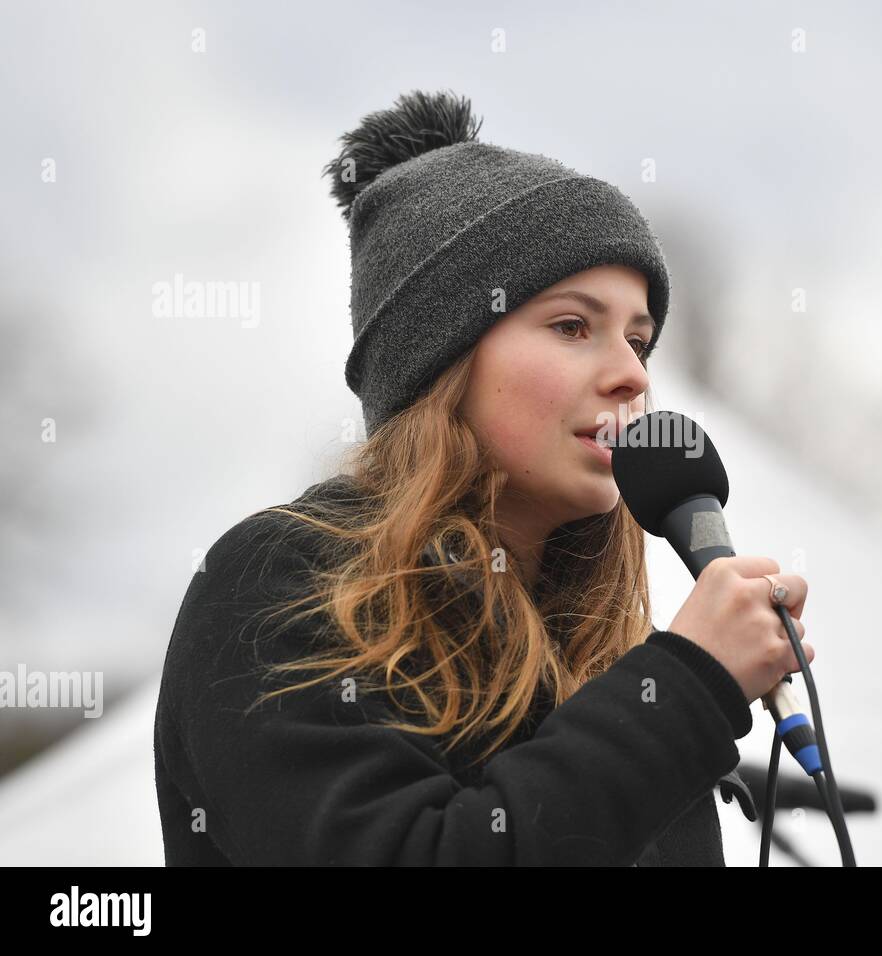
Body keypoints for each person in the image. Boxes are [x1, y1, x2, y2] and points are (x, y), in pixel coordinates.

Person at [152, 90, 812, 866]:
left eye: (640, 342)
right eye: (573, 326)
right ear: (443, 362)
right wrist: (687, 690)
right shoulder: (276, 585)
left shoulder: (615, 669)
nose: (632, 375)